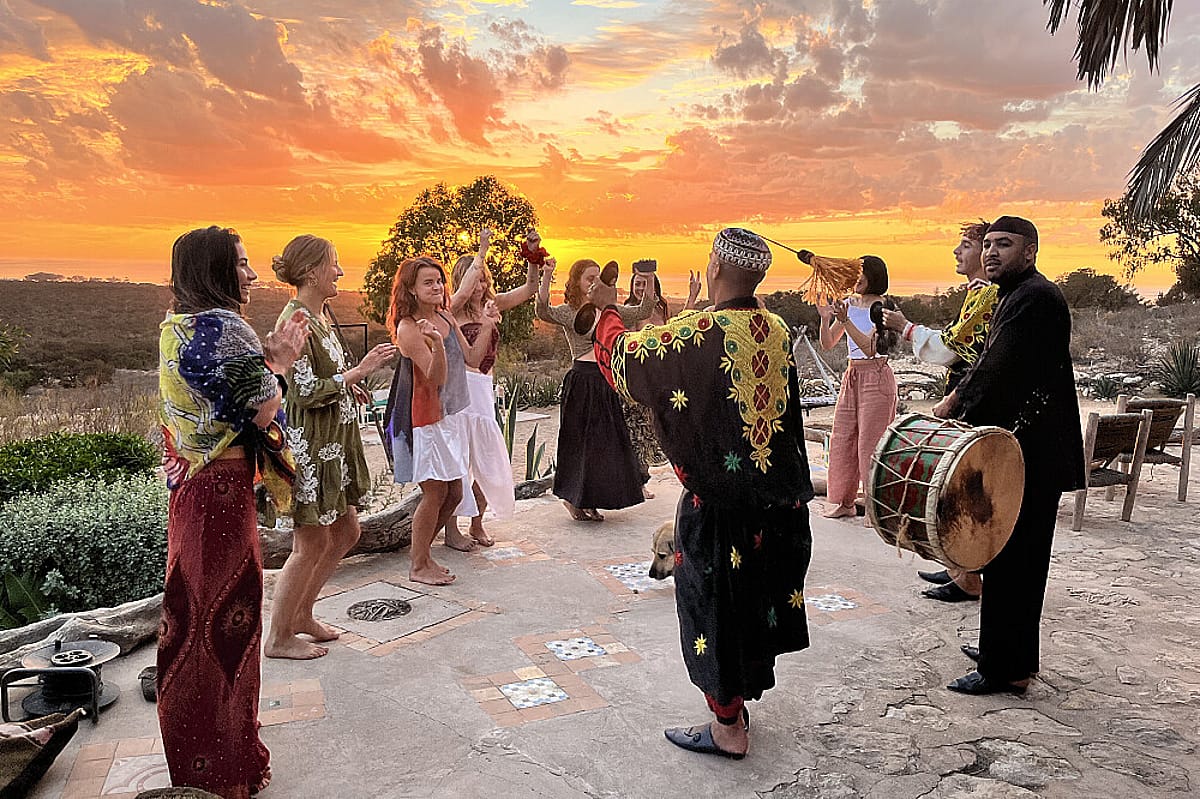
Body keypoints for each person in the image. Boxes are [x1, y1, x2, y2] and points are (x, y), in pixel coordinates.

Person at [588, 227, 813, 759]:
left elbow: (626, 362)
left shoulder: (700, 332)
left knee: (712, 608)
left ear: (714, 268)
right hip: (779, 507)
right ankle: (740, 701)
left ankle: (727, 728)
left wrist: (606, 308)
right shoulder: (777, 330)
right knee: (755, 604)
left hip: (720, 510)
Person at [158, 225, 309, 798]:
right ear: (216, 271)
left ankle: (196, 758)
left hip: (190, 490)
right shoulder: (228, 327)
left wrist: (264, 356)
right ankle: (226, 767)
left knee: (189, 619)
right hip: (224, 495)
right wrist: (282, 361)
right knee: (227, 625)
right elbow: (263, 407)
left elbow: (214, 396)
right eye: (241, 265)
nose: (250, 275)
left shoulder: (176, 327)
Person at [932, 215, 1084, 695]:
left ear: (1030, 252)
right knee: (1009, 555)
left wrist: (955, 403)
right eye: (989, 244)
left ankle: (1005, 668)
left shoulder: (1034, 297)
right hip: (1026, 448)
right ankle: (1007, 651)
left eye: (1005, 244)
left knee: (1017, 557)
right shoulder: (1017, 295)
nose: (992, 252)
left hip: (1033, 453)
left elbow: (998, 368)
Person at [265, 234, 397, 659]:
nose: (340, 271)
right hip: (311, 449)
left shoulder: (319, 316)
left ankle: (302, 614)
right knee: (309, 545)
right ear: (310, 272)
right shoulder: (296, 321)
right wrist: (360, 372)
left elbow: (328, 378)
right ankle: (278, 637)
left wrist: (350, 388)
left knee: (346, 531)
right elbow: (302, 391)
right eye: (334, 263)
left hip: (333, 448)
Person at [881, 220, 998, 602]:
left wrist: (906, 327)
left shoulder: (986, 295)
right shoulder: (979, 293)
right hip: (969, 393)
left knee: (965, 490)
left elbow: (950, 347)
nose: (957, 252)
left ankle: (968, 575)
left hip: (974, 398)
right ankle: (963, 571)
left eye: (965, 245)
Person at [442, 227, 545, 549]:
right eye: (476, 279)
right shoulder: (450, 311)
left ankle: (477, 523)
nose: (482, 285)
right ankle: (451, 530)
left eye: (484, 279)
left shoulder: (492, 304)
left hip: (484, 389)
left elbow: (529, 288)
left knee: (487, 458)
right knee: (457, 461)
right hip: (457, 389)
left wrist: (532, 251)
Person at [536, 257, 655, 521]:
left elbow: (645, 309)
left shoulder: (611, 310)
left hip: (605, 379)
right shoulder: (570, 311)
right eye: (589, 278)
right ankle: (573, 500)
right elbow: (542, 310)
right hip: (581, 380)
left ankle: (592, 500)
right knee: (579, 443)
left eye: (597, 277)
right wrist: (546, 275)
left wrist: (647, 279)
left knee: (604, 444)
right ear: (576, 282)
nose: (594, 282)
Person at [383, 255, 472, 585]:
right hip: (425, 418)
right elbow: (435, 379)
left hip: (448, 415)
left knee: (455, 493)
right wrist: (435, 343)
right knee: (435, 493)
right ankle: (418, 563)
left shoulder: (444, 315)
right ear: (411, 289)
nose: (437, 287)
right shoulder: (408, 329)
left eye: (439, 281)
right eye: (428, 282)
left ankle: (421, 553)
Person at [816, 256, 899, 519]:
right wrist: (825, 319)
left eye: (861, 272)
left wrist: (846, 320)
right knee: (842, 437)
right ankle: (842, 502)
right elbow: (828, 343)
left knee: (870, 444)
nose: (856, 278)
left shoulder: (883, 308)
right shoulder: (849, 305)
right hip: (852, 376)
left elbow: (871, 349)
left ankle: (876, 509)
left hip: (876, 376)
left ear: (874, 275)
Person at [619, 260, 703, 499]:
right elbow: (638, 338)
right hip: (639, 376)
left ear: (654, 284)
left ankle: (648, 477)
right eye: (636, 283)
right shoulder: (631, 309)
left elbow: (675, 329)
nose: (639, 287)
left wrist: (692, 296)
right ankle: (639, 482)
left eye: (644, 283)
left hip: (660, 375)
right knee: (637, 430)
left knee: (655, 428)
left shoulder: (662, 307)